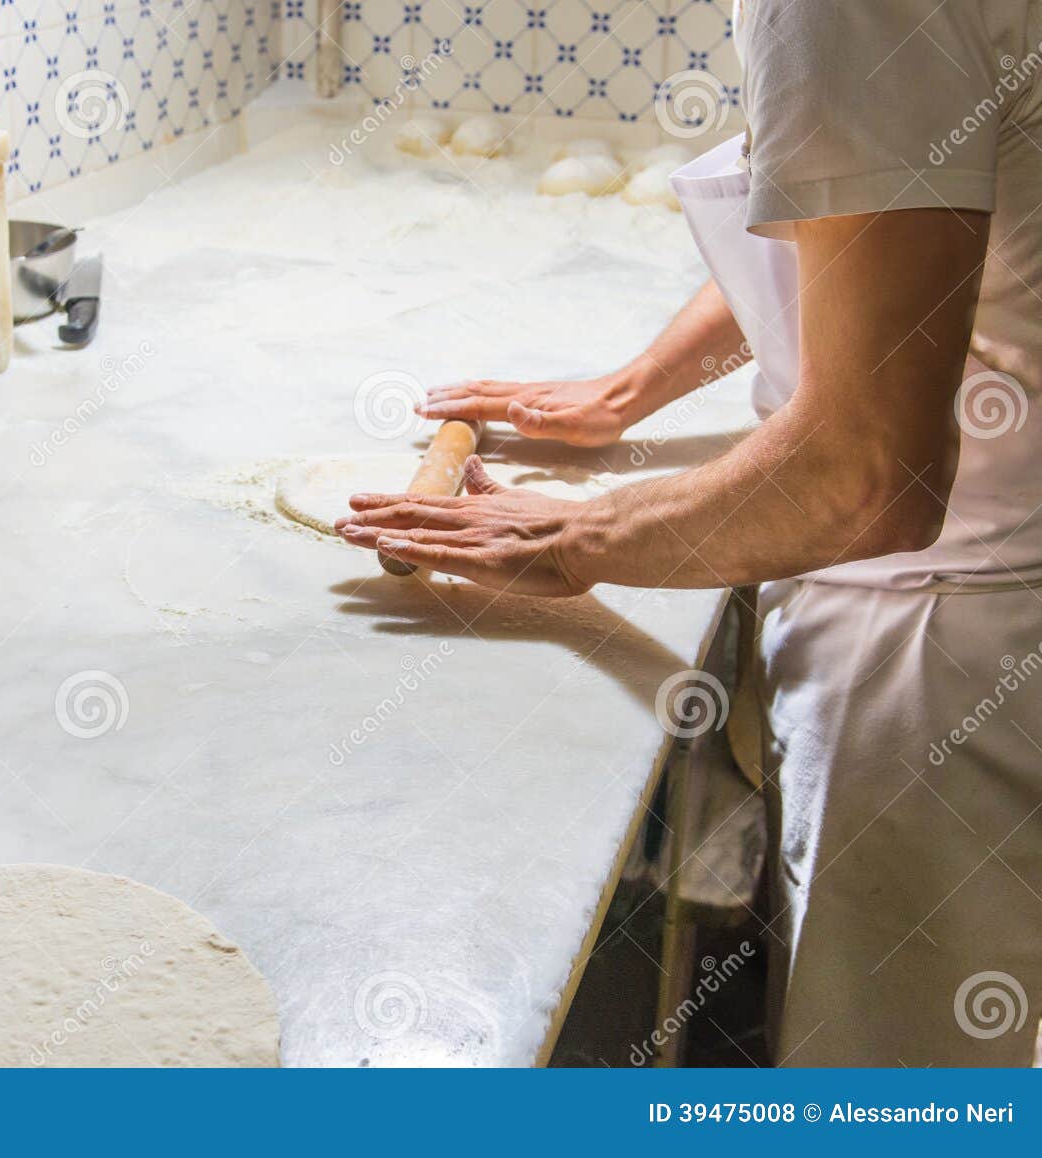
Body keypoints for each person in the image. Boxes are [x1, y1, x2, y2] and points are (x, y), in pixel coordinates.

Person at [338, 0, 1042, 1065]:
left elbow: (870, 475)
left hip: (948, 644)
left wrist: (576, 540)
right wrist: (631, 388)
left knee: (909, 1095)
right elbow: (881, 207)